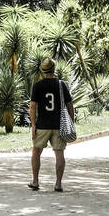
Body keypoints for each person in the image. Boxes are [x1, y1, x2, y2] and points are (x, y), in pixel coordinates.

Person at [28, 58, 74, 192]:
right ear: (54, 69)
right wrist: (71, 121)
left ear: (42, 70)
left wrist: (33, 125)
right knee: (59, 153)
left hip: (42, 125)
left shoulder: (38, 85)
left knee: (36, 152)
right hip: (59, 125)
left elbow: (32, 107)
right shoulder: (62, 85)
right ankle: (58, 184)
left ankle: (35, 181)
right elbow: (70, 105)